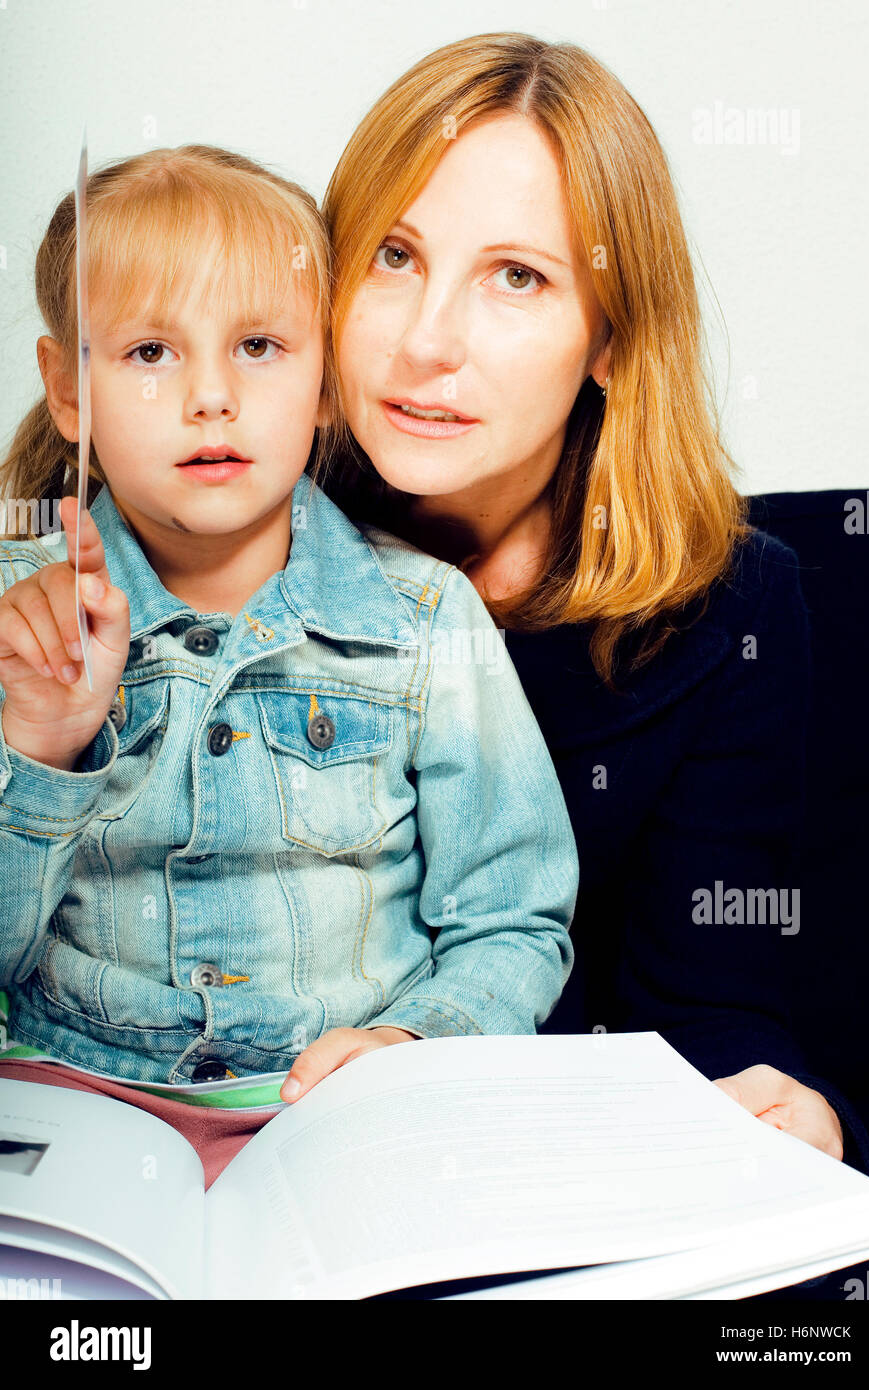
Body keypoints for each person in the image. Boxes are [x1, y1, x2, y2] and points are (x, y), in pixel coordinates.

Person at [315, 31, 869, 1176]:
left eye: (515, 277)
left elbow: (707, 1013)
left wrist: (788, 1117)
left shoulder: (728, 610)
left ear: (609, 337)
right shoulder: (201, 516)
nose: (427, 341)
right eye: (391, 255)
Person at [0, 144, 579, 1167]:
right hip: (72, 1104)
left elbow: (513, 919)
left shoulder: (425, 618)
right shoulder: (20, 616)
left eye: (260, 345)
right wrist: (38, 749)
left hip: (338, 1115)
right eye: (149, 353)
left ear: (323, 380)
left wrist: (414, 1039)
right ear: (70, 391)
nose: (211, 396)